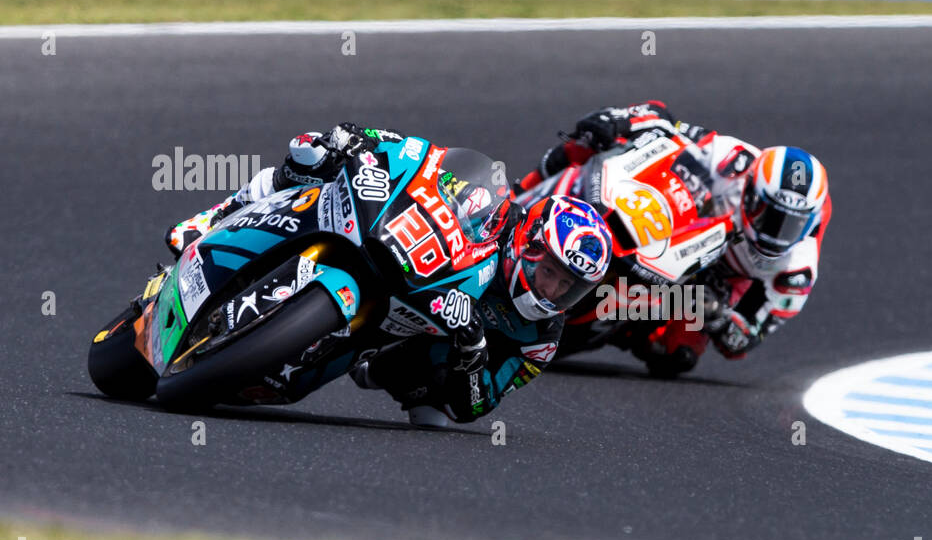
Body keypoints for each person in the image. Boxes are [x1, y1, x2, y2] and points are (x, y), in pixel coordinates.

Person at [164, 123, 613, 425]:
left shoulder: (542, 337)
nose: (554, 289)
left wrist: (472, 349)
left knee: (432, 414)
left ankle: (359, 360)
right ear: (531, 244)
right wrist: (362, 140)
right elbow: (431, 161)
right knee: (312, 156)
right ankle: (213, 219)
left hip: (418, 333)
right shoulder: (501, 216)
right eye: (552, 272)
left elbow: (476, 405)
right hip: (407, 255)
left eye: (569, 286)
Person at [517, 101, 831, 375]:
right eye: (767, 215)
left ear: (811, 221)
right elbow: (665, 122)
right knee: (593, 138)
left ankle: (621, 327)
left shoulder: (796, 272)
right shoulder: (731, 161)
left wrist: (719, 318)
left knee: (677, 355)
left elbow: (744, 340)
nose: (775, 233)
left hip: (714, 281)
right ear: (750, 192)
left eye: (791, 224)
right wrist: (620, 121)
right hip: (683, 222)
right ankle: (520, 194)